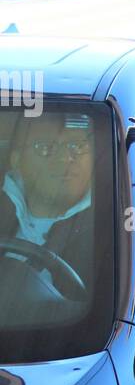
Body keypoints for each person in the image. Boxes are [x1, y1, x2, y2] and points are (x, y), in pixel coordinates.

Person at [0, 109, 95, 287]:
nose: (65, 158)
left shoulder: (116, 227)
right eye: (45, 147)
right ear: (16, 160)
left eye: (77, 146)